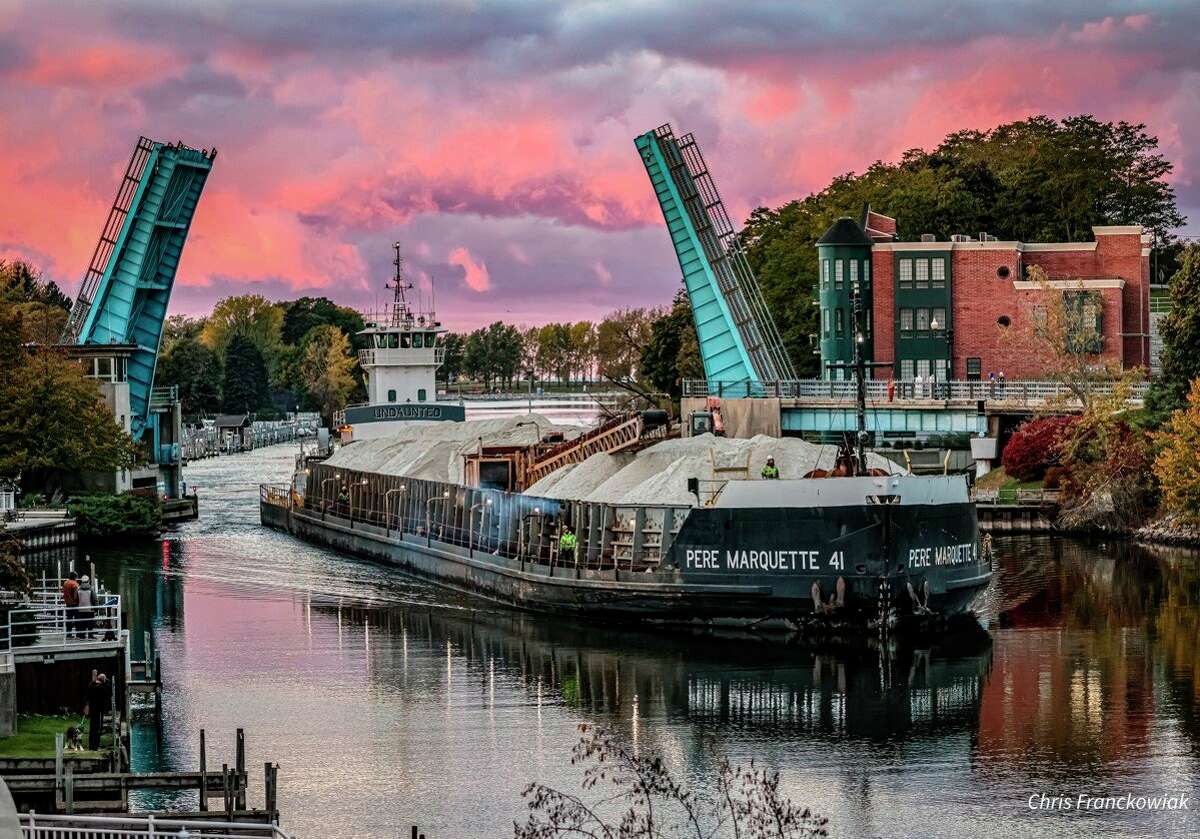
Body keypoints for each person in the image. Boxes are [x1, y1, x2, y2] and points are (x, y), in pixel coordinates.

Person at [83, 671, 110, 751]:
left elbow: (87, 696)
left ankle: (92, 746)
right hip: (98, 710)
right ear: (103, 680)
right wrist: (104, 683)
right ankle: (95, 746)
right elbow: (108, 693)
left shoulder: (92, 685)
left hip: (93, 710)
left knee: (93, 728)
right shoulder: (101, 687)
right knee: (97, 729)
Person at [76, 575, 95, 639]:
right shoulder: (91, 588)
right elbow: (94, 599)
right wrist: (96, 607)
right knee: (90, 623)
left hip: (80, 609)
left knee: (82, 623)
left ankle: (82, 636)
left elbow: (75, 599)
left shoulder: (78, 589)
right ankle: (90, 635)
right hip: (89, 609)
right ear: (88, 581)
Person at [62, 572, 79, 638]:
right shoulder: (74, 584)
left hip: (68, 603)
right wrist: (77, 601)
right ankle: (78, 634)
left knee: (69, 619)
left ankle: (68, 634)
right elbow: (75, 595)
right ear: (75, 577)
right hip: (74, 604)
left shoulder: (65, 583)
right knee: (77, 619)